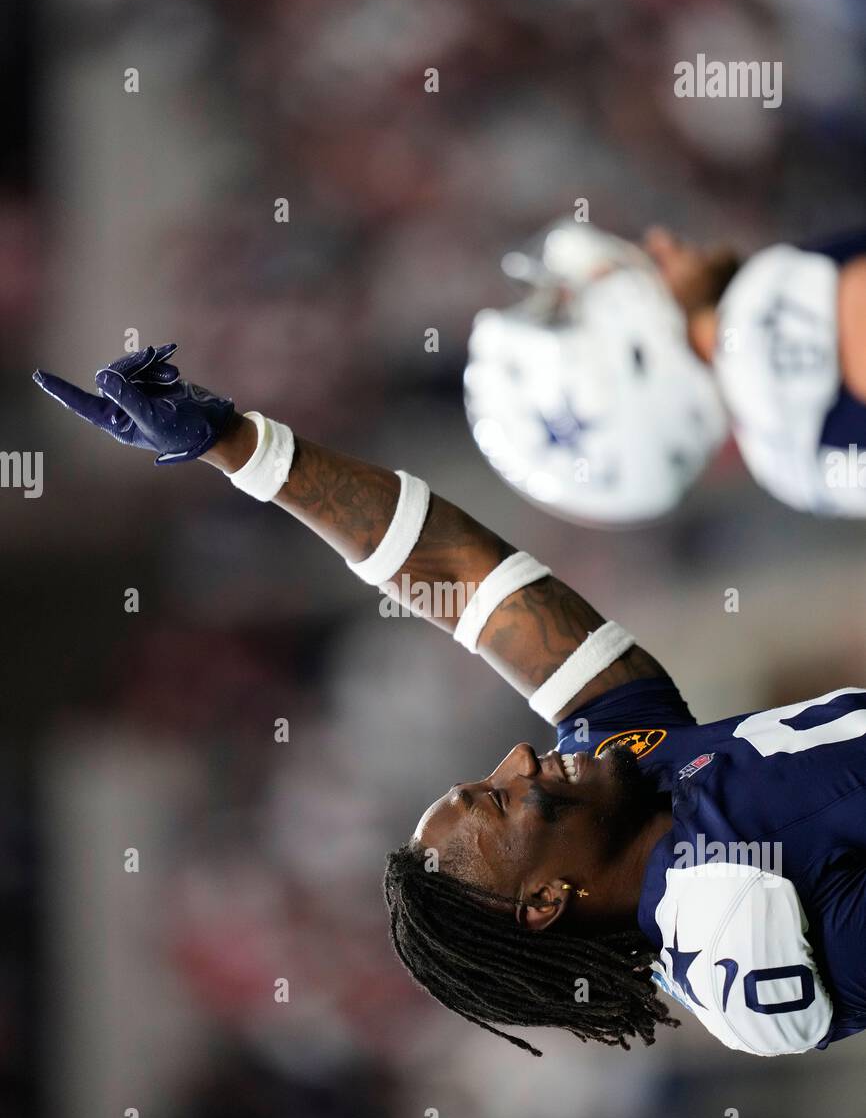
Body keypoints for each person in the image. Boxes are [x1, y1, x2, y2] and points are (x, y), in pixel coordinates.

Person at [32, 346, 866, 1059]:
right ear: (545, 901)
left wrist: (241, 449)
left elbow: (461, 576)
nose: (523, 757)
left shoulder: (633, 764)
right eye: (505, 801)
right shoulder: (743, 927)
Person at [465, 219, 866, 521]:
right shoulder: (761, 328)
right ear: (623, 360)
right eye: (570, 302)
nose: (659, 239)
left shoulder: (788, 472)